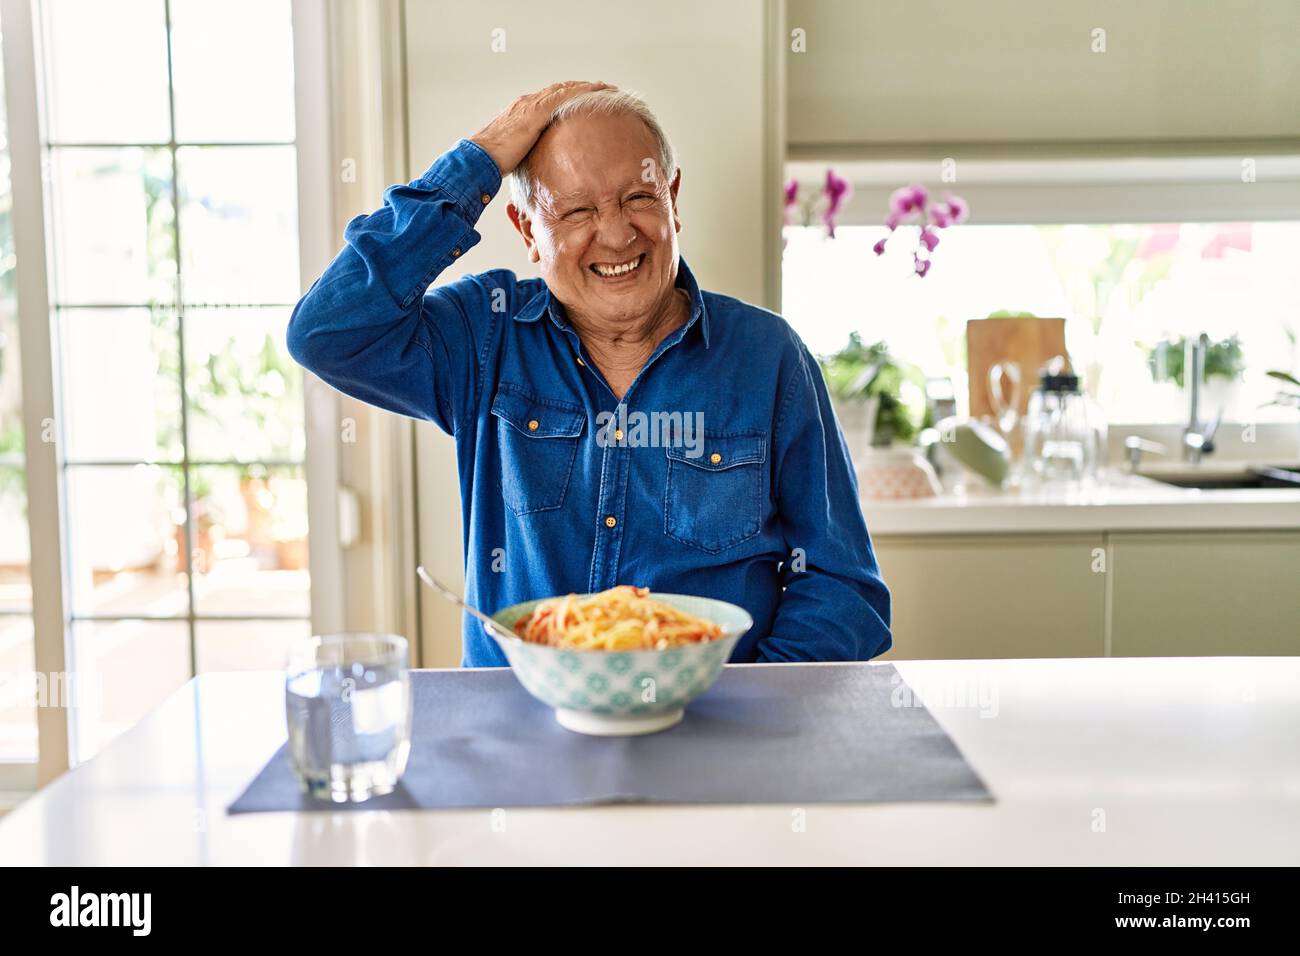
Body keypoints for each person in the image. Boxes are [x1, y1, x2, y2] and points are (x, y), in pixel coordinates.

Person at [287, 81, 891, 666]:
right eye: (576, 211)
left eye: (639, 198)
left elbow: (843, 587)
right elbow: (327, 332)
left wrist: (745, 706)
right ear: (528, 231)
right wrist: (479, 163)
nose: (617, 234)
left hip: (710, 729)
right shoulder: (484, 334)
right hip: (521, 733)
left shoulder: (769, 356)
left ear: (672, 200)